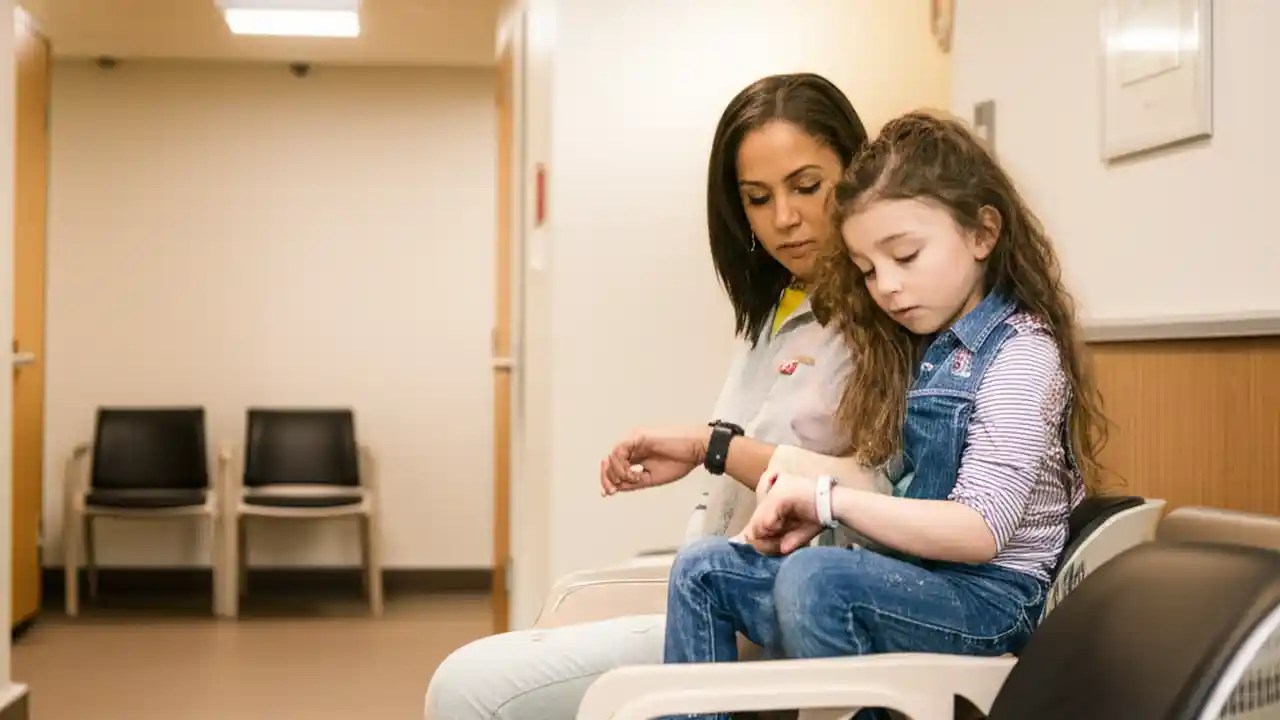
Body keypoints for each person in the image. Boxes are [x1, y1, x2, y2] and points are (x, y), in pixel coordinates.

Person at [425, 73, 875, 720]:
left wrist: (709, 446)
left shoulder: (885, 320)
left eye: (807, 187)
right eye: (757, 197)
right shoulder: (776, 309)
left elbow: (866, 487)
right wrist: (706, 456)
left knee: (467, 687)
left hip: (772, 612)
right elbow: (729, 476)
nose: (784, 218)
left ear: (855, 175)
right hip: (704, 589)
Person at [660, 111, 1109, 720]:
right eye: (868, 271)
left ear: (982, 234)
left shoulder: (1022, 352)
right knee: (703, 570)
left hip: (991, 604)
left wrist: (827, 502)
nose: (887, 287)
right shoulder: (917, 346)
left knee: (818, 580)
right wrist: (802, 497)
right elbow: (889, 479)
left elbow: (980, 530)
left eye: (905, 256)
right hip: (910, 580)